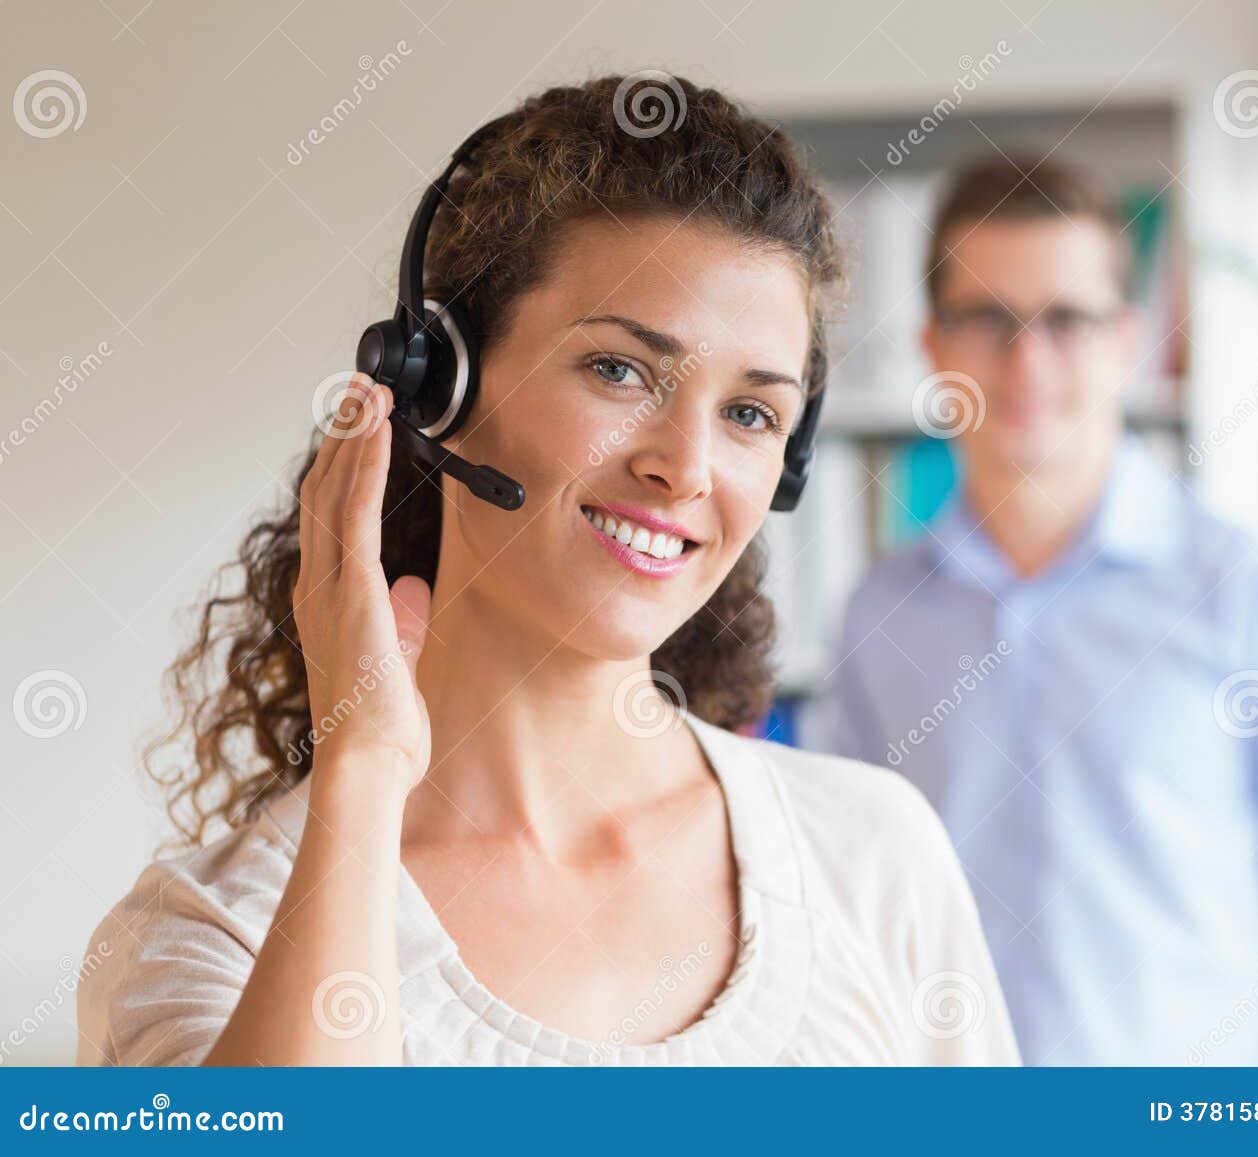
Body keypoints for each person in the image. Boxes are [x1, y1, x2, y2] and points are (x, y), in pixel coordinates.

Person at [76, 76, 1018, 1067]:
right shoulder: (215, 932)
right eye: (620, 370)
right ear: (439, 384)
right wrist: (360, 766)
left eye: (749, 413)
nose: (685, 468)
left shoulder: (872, 856)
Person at [813, 155, 1258, 1066]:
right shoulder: (878, 614)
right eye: (988, 319)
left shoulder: (1250, 593)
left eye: (1068, 318)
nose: (1029, 359)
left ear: (1128, 340)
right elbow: (842, 906)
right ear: (933, 346)